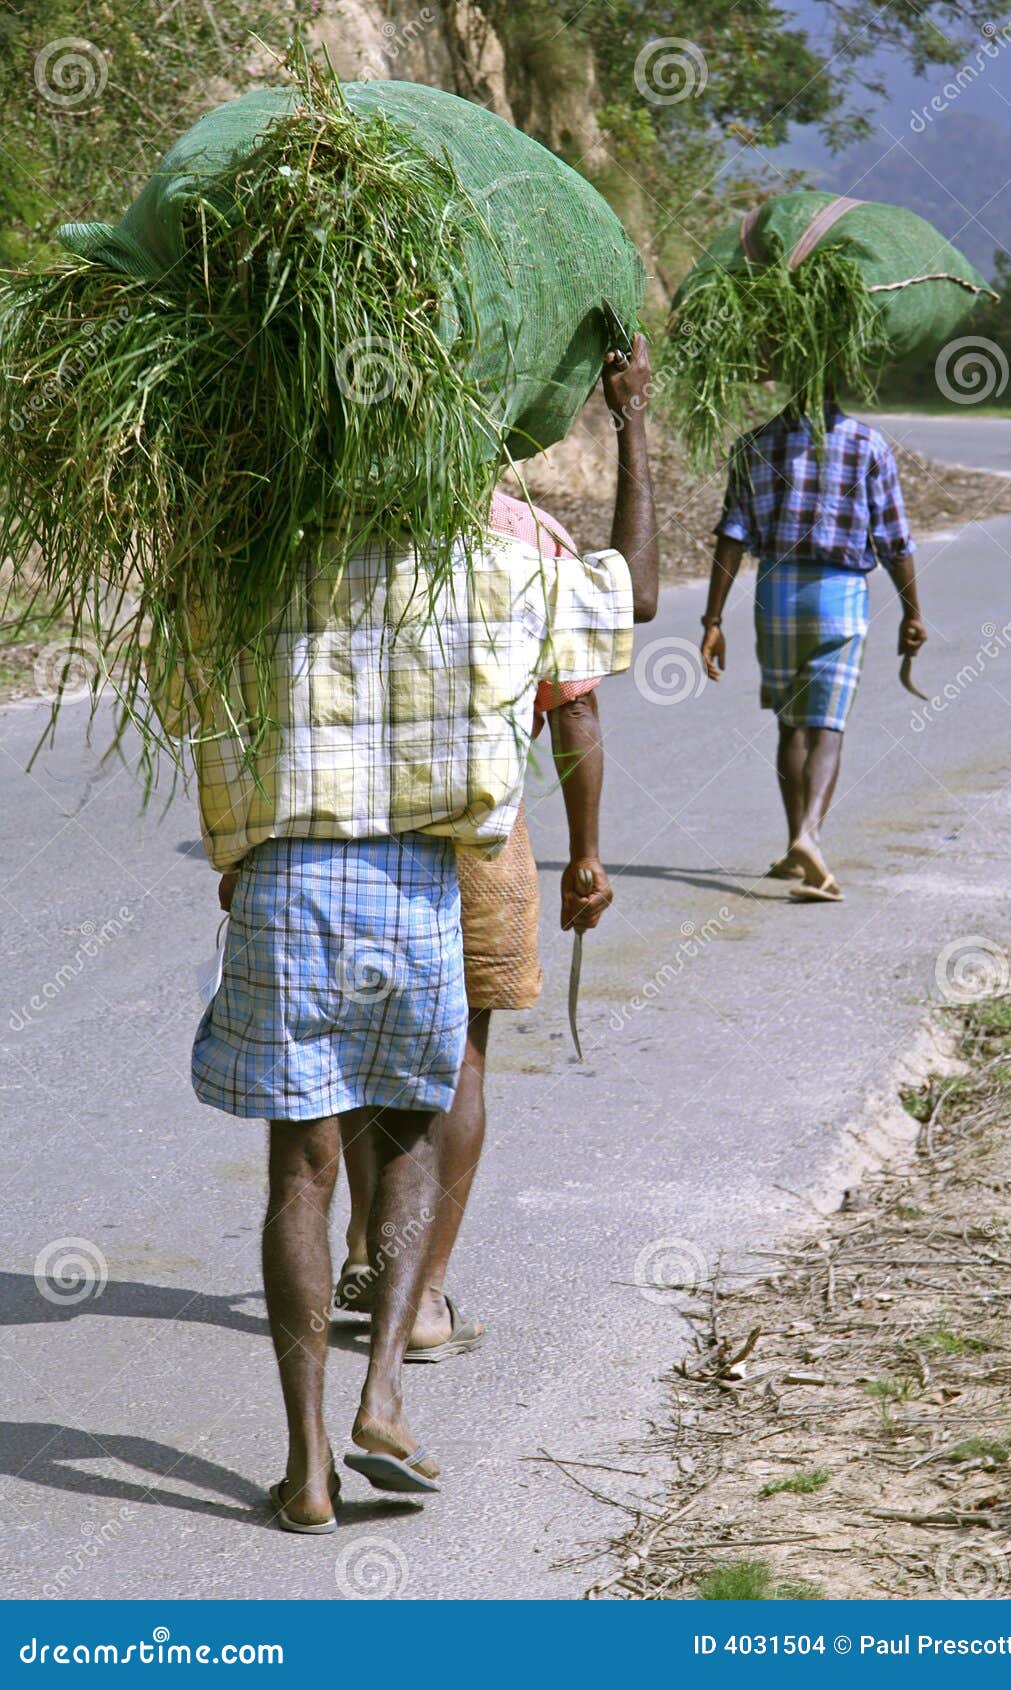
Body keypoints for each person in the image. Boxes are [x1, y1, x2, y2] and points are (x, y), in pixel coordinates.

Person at [161, 347, 647, 1532]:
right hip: (419, 884)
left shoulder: (258, 550)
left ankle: (307, 1468)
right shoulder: (497, 558)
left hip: (287, 882)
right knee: (415, 1140)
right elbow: (624, 603)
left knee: (301, 1173)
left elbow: (188, 695)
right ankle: (385, 1393)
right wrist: (630, 421)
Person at [331, 339, 660, 1354]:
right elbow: (590, 684)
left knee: (363, 1049)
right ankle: (422, 1294)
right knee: (457, 1062)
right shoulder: (523, 538)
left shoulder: (332, 522)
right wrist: (631, 420)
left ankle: (370, 1242)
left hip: (346, 823)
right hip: (478, 829)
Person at [700, 398, 926, 902]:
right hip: (839, 594)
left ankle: (794, 845)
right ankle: (809, 836)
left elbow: (732, 535)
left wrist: (713, 620)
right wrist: (912, 612)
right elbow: (894, 540)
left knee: (791, 722)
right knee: (827, 724)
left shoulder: (754, 444)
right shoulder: (868, 444)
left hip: (777, 592)